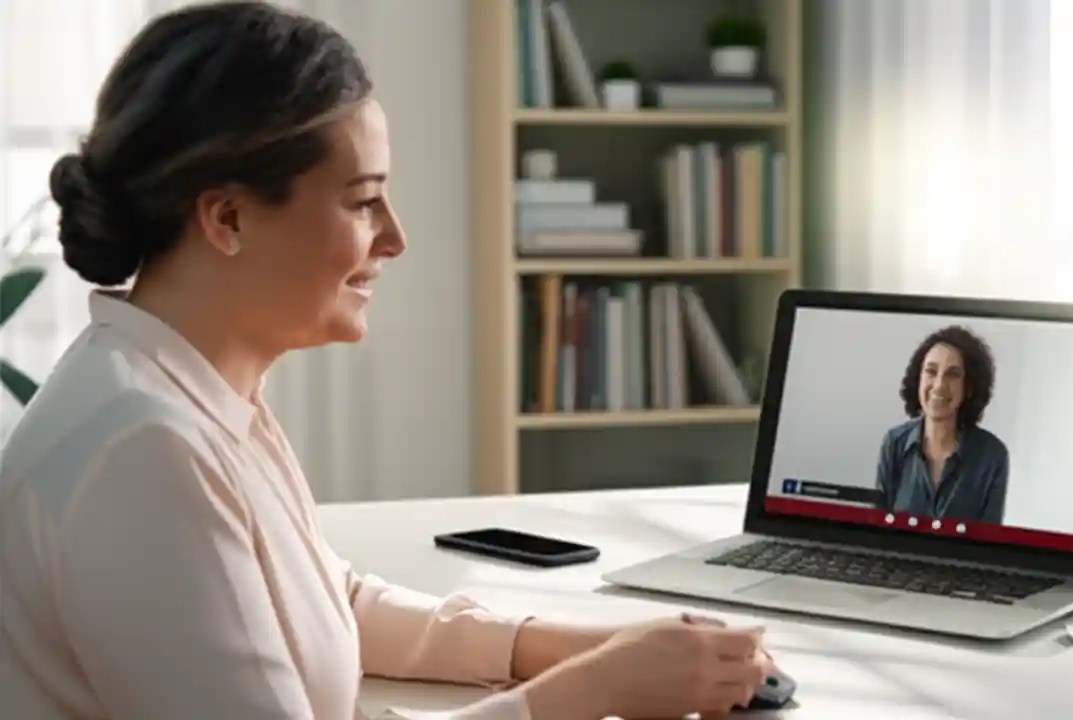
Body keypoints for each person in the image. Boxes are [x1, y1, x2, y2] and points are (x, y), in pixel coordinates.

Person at [0, 3, 775, 718]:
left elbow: (324, 601)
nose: (395, 237)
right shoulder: (142, 452)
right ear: (227, 217)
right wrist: (592, 691)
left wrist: (569, 644)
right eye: (363, 200)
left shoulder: (180, 389)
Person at [875, 325, 1009, 525]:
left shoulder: (992, 456)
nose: (939, 385)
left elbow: (988, 547)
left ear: (969, 387)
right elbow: (877, 529)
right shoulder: (893, 444)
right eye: (931, 371)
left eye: (953, 374)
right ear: (918, 378)